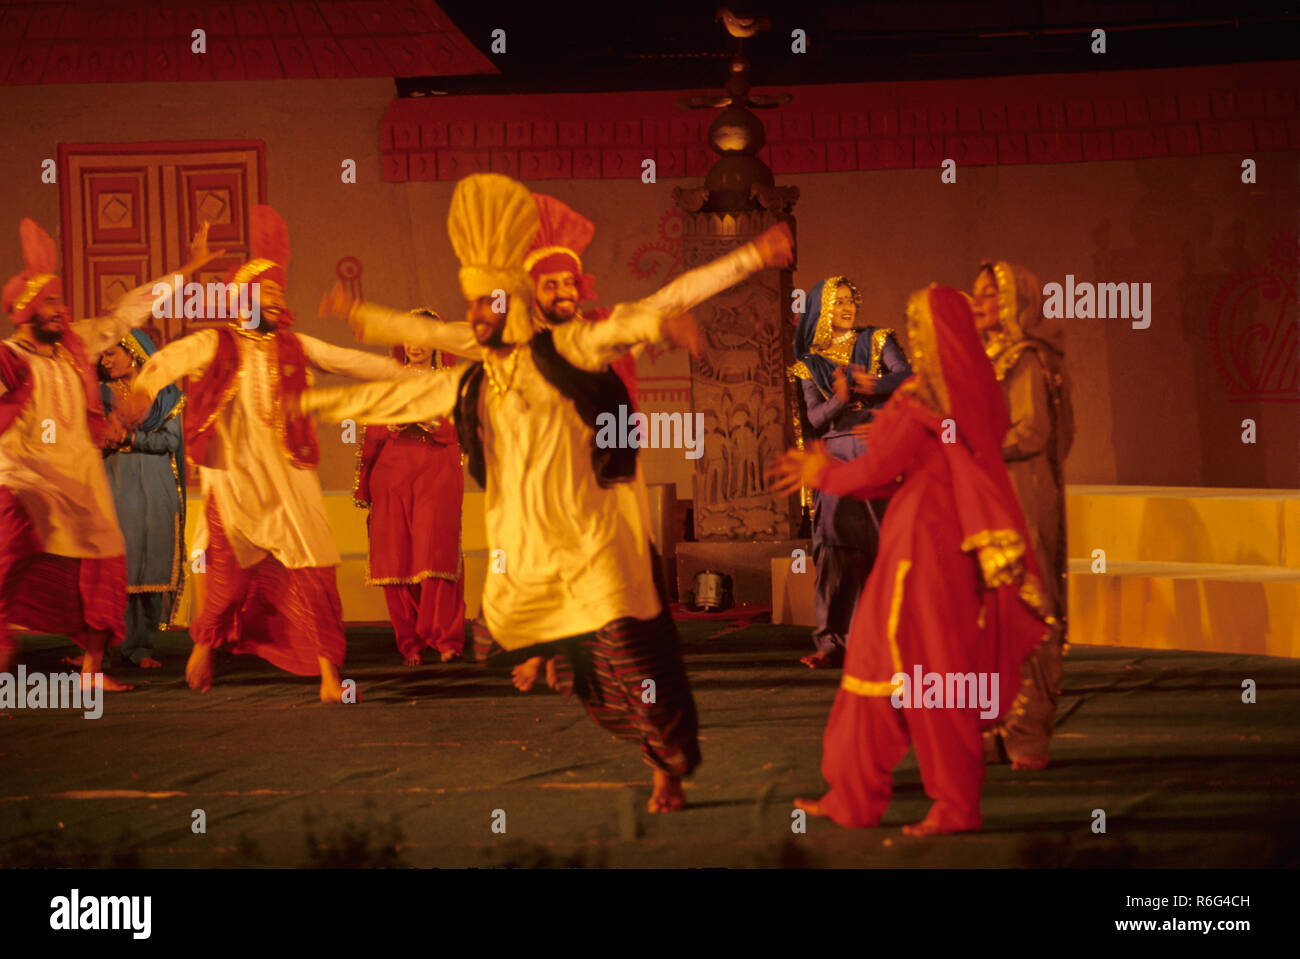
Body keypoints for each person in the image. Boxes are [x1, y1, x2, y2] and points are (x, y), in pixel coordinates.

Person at [306, 173, 794, 812]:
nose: (472, 317)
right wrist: (314, 391)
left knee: (634, 662)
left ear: (510, 303)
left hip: (596, 535)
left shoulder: (572, 343)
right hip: (530, 551)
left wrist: (742, 264)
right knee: (589, 679)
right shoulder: (480, 372)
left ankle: (665, 761)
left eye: (483, 304)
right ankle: (554, 655)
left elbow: (652, 306)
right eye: (472, 306)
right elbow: (399, 380)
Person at [769, 284, 1052, 835]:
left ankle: (955, 806)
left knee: (928, 677)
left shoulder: (924, 397)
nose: (913, 335)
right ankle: (854, 792)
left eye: (918, 325)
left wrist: (818, 472)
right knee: (881, 664)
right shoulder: (980, 390)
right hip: (948, 544)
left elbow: (877, 471)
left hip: (921, 549)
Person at [119, 205, 412, 703]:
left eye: (279, 294)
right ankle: (204, 647)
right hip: (233, 482)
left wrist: (417, 378)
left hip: (291, 479)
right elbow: (170, 360)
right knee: (228, 582)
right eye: (266, 295)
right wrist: (142, 390)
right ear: (242, 300)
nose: (277, 302)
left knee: (316, 568)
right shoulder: (216, 343)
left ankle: (327, 675)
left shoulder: (296, 346)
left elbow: (349, 360)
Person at [1, 218, 217, 689]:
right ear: (26, 310)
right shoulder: (9, 358)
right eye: (51, 302)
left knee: (105, 565)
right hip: (25, 482)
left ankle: (91, 672)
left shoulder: (75, 345)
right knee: (6, 571)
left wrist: (187, 270)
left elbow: (127, 312)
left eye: (60, 300)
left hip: (79, 483)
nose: (61, 309)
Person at [971, 260, 1075, 770]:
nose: (979, 303)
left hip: (1021, 495)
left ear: (1016, 301)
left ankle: (1028, 731)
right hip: (987, 496)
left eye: (989, 295)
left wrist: (974, 445)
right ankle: (994, 726)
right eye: (976, 295)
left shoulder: (1026, 359)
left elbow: (1033, 433)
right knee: (989, 613)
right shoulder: (982, 357)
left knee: (1027, 607)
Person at [788, 276, 911, 669]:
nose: (846, 307)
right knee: (837, 553)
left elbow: (907, 377)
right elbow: (814, 417)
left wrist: (870, 385)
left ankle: (882, 640)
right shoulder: (810, 365)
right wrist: (841, 398)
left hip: (880, 449)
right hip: (838, 457)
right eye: (836, 301)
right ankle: (831, 644)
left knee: (883, 547)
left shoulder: (876, 340)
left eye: (850, 300)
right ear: (821, 310)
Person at [355, 329, 466, 667]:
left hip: (436, 474)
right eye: (409, 337)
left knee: (434, 556)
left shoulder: (451, 382)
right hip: (392, 475)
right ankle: (410, 643)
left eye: (423, 337)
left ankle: (444, 637)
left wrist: (426, 417)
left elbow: (460, 429)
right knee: (397, 561)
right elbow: (372, 437)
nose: (416, 344)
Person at [99, 330, 186, 668]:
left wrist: (131, 437)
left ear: (134, 353)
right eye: (103, 356)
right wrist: (105, 436)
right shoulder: (98, 395)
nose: (104, 361)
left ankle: (140, 648)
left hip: (155, 488)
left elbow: (170, 441)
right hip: (113, 485)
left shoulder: (166, 396)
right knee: (111, 568)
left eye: (111, 354)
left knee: (150, 566)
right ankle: (99, 649)